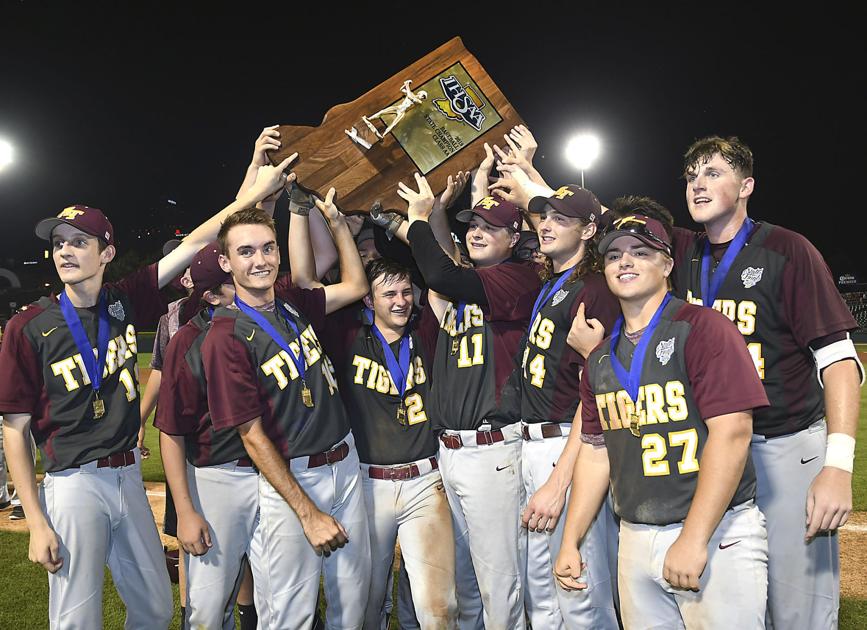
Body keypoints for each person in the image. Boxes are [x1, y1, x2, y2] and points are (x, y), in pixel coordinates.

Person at [0, 152, 294, 629]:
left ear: (107, 252)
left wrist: (253, 194)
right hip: (74, 484)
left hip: (128, 476)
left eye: (80, 241)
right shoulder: (27, 326)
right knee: (77, 618)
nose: (65, 251)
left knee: (157, 609)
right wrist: (35, 519)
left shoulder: (122, 299)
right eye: (59, 243)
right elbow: (14, 430)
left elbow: (199, 239)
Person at [670, 136, 862, 628]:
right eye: (692, 175)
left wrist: (838, 466)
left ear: (747, 185)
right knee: (725, 600)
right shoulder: (682, 251)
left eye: (713, 172)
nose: (698, 183)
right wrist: (527, 182)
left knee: (798, 607)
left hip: (782, 447)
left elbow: (840, 361)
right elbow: (601, 221)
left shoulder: (786, 249)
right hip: (712, 451)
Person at [555, 211, 770, 629]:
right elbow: (598, 456)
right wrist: (570, 539)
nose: (625, 262)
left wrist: (694, 537)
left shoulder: (705, 328)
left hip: (716, 530)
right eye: (614, 255)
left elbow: (733, 433)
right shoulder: (599, 358)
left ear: (668, 265)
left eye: (641, 251)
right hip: (636, 533)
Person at [201, 194, 370, 628]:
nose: (261, 260)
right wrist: (308, 513)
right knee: (288, 615)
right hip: (294, 480)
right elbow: (251, 435)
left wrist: (334, 221)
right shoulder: (225, 336)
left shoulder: (292, 302)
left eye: (268, 247)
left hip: (344, 463)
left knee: (351, 603)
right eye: (246, 251)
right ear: (225, 263)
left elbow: (356, 286)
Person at [401, 171, 541, 629]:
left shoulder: (516, 280)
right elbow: (449, 269)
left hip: (492, 451)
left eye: (490, 227)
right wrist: (438, 214)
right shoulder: (472, 286)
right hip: (453, 451)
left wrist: (419, 220)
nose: (477, 232)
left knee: (499, 582)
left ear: (514, 237)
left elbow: (440, 271)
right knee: (464, 581)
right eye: (472, 226)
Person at [321, 258, 457, 629]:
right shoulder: (346, 336)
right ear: (369, 300)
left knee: (437, 606)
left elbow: (444, 270)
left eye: (406, 291)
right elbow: (307, 282)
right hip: (367, 484)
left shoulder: (427, 333)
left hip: (425, 481)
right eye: (389, 293)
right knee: (364, 602)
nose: (401, 301)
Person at [518, 185, 620, 628]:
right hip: (537, 443)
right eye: (545, 216)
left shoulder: (594, 289)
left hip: (568, 444)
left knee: (580, 589)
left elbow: (594, 393)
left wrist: (560, 481)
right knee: (542, 591)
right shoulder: (557, 281)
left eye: (561, 219)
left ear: (589, 229)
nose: (546, 224)